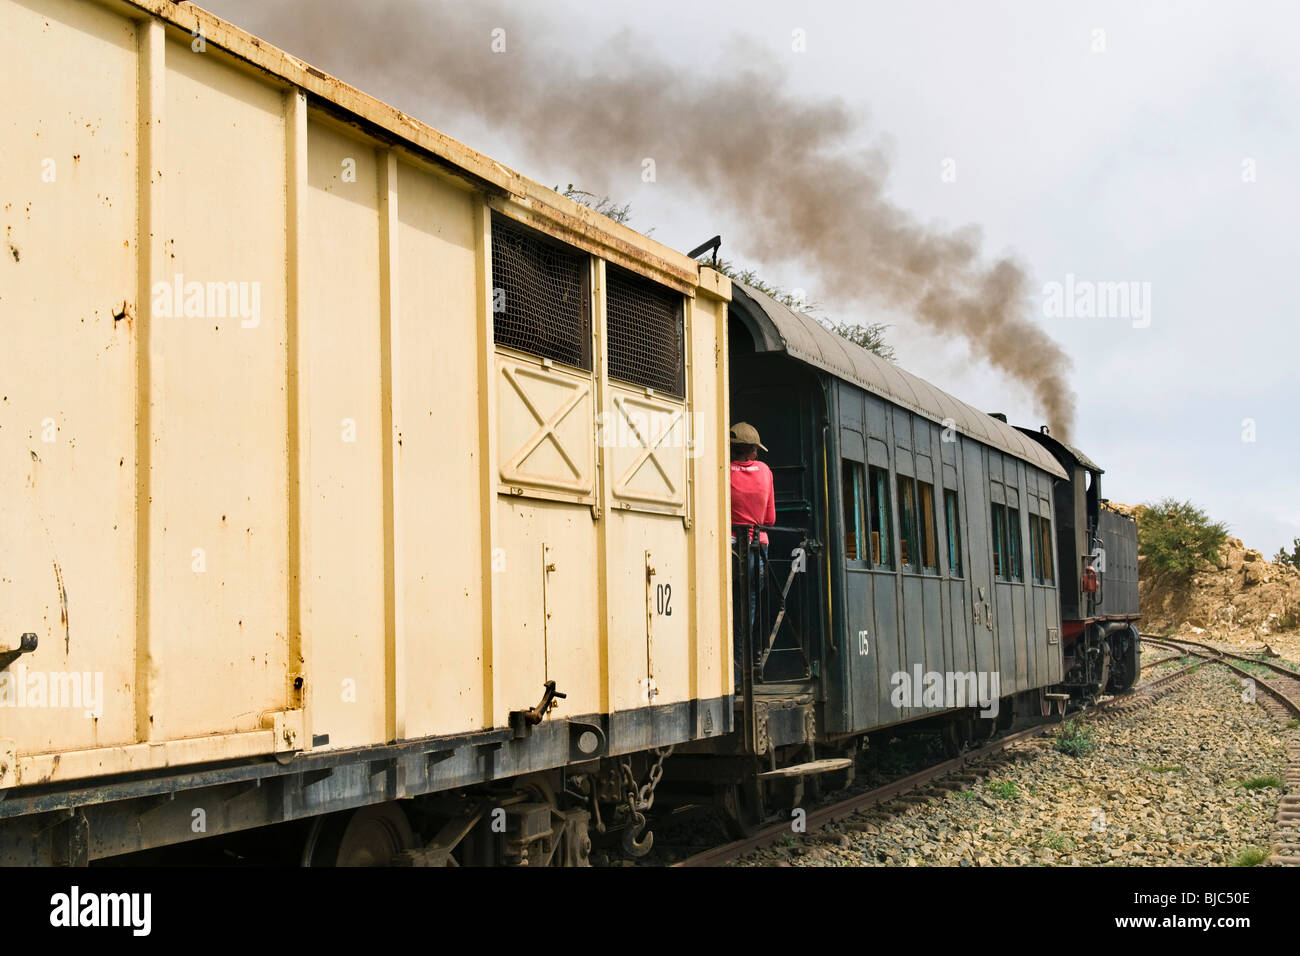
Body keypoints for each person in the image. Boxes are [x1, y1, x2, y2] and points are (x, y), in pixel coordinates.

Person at [729, 422, 775, 692]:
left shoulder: (722, 471)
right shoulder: (765, 472)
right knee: (748, 613)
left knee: (728, 611)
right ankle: (743, 675)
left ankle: (729, 676)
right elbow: (769, 518)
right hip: (756, 547)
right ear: (753, 451)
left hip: (728, 546)